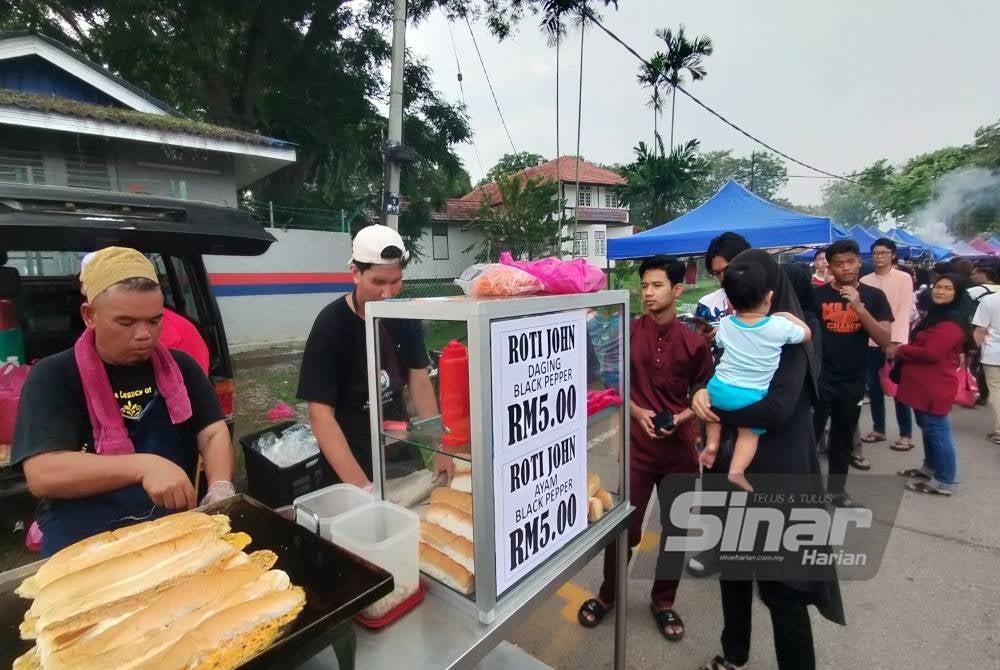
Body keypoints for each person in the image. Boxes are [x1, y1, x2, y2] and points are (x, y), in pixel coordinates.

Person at [10, 247, 233, 556]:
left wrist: (220, 485)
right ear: (90, 315)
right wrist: (142, 466)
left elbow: (212, 431)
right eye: (126, 323)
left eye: (154, 321)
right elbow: (43, 473)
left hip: (168, 527)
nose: (144, 335)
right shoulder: (55, 375)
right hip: (85, 540)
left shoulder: (181, 368)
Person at [693, 249, 844, 670]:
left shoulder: (794, 331)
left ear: (771, 292)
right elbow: (726, 375)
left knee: (783, 592)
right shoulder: (739, 328)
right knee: (735, 576)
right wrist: (702, 393)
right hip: (734, 470)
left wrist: (718, 410)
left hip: (779, 476)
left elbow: (777, 409)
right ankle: (734, 655)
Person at [578, 256, 714, 641]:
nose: (648, 293)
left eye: (656, 286)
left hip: (679, 452)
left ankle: (664, 601)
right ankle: (607, 595)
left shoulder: (694, 343)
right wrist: (638, 413)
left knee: (676, 532)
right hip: (637, 450)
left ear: (677, 290)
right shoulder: (626, 334)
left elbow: (705, 395)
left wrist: (680, 419)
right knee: (624, 530)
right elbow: (612, 386)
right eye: (644, 286)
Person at [297, 225, 450, 490]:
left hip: (400, 455)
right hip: (350, 462)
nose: (388, 294)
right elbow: (320, 414)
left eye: (396, 281)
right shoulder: (330, 326)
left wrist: (440, 449)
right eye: (378, 282)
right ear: (355, 273)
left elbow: (420, 383)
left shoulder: (404, 317)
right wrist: (362, 488)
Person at [700, 259, 810, 492]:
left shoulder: (727, 323)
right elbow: (806, 335)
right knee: (748, 433)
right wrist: (791, 318)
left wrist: (708, 401)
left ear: (730, 301)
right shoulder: (780, 327)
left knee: (712, 411)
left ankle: (711, 444)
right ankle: (737, 470)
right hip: (750, 397)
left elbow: (718, 343)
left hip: (718, 389)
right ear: (769, 297)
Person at [812, 239, 892, 507]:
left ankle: (837, 491)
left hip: (853, 378)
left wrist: (859, 308)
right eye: (838, 264)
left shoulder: (874, 296)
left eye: (850, 262)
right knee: (809, 437)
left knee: (843, 437)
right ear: (829, 266)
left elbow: (883, 339)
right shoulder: (817, 296)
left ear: (859, 261)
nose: (845, 268)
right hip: (820, 377)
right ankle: (806, 493)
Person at [889, 274, 972, 496]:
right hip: (922, 386)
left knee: (937, 431)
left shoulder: (953, 321)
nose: (940, 292)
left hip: (935, 387)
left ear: (958, 293)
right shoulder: (937, 315)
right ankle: (930, 468)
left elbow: (932, 352)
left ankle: (945, 481)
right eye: (939, 287)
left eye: (948, 288)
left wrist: (902, 349)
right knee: (928, 430)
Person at [858, 239, 916, 454]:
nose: (879, 256)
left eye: (883, 252)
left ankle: (906, 434)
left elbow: (903, 311)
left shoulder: (903, 278)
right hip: (870, 341)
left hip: (895, 341)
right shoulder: (865, 279)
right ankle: (878, 429)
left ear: (892, 255)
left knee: (899, 388)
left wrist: (895, 341)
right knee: (874, 387)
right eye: (875, 253)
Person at [695, 232, 752, 343]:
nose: (723, 278)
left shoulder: (765, 300)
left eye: (727, 270)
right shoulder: (706, 305)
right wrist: (703, 341)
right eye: (716, 273)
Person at [972, 286, 1000, 444]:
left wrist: (972, 351)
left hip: (993, 353)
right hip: (993, 353)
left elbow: (980, 330)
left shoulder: (990, 300)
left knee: (996, 391)